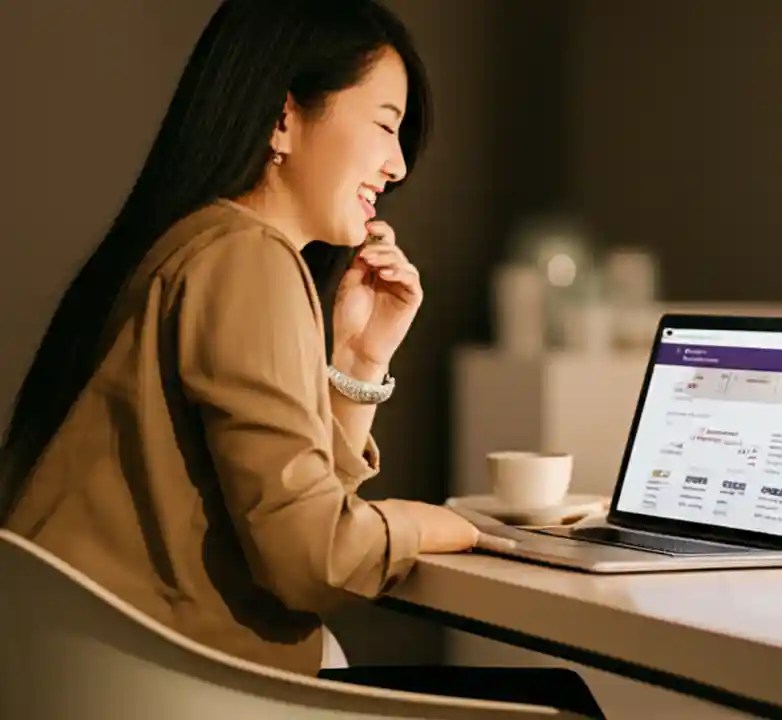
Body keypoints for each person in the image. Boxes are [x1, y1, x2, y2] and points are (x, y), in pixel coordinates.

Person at [0, 1, 603, 716]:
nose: (399, 164)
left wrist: (355, 360)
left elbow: (292, 506)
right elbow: (312, 560)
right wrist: (464, 528)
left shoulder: (196, 243)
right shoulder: (248, 257)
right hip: (188, 690)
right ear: (284, 118)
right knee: (564, 703)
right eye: (385, 123)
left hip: (94, 678)